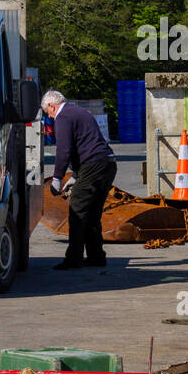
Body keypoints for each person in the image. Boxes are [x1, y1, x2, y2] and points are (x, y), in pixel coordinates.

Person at [43, 90, 116, 270]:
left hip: (93, 165)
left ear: (52, 105)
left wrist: (57, 179)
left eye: (48, 113)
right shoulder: (78, 112)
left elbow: (64, 150)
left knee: (77, 210)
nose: (50, 117)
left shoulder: (63, 117)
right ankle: (96, 256)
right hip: (107, 163)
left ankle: (73, 259)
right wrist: (76, 175)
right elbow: (86, 143)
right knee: (92, 213)